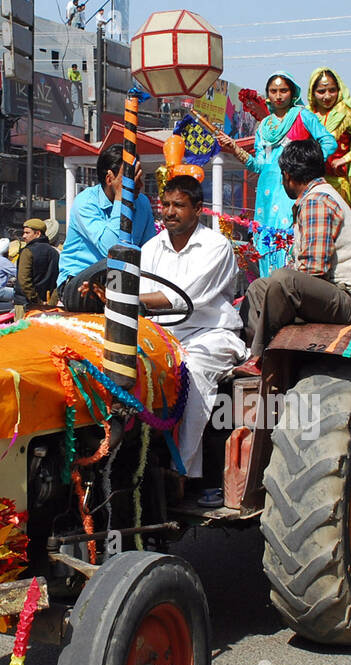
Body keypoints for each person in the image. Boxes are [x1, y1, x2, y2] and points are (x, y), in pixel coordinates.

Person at [139, 175, 245, 497]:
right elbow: (142, 295)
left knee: (190, 369)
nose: (170, 212)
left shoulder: (216, 247)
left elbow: (187, 296)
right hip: (160, 335)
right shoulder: (150, 248)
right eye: (166, 205)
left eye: (179, 205)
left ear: (198, 209)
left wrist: (126, 297)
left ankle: (180, 471)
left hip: (209, 334)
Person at [242, 139, 351, 372]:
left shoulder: (317, 200)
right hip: (338, 293)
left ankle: (263, 358)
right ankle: (257, 353)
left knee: (283, 280)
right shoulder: (316, 196)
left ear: (287, 176)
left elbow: (314, 268)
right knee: (258, 288)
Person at [224, 72, 337, 277]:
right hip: (267, 194)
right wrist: (235, 149)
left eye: (283, 90)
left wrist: (306, 164)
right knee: (267, 245)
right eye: (273, 91)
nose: (278, 95)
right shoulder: (264, 126)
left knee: (291, 239)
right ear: (267, 95)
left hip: (293, 188)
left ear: (292, 92)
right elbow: (259, 165)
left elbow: (329, 142)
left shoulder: (303, 116)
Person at [57, 144, 155, 311]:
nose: (139, 183)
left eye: (140, 175)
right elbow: (111, 248)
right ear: (110, 179)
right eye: (131, 177)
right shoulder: (85, 202)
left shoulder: (143, 203)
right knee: (113, 263)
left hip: (120, 282)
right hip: (79, 284)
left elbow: (150, 251)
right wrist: (121, 199)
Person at [307, 68, 351, 203]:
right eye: (321, 91)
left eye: (332, 90)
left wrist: (348, 158)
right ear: (312, 92)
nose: (327, 96)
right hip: (308, 184)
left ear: (339, 90)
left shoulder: (346, 115)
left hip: (338, 186)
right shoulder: (306, 115)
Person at [17, 218, 60, 306]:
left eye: (27, 233)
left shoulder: (27, 252)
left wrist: (36, 300)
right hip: (48, 303)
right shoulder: (54, 252)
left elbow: (24, 280)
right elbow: (58, 280)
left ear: (38, 234)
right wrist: (51, 302)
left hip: (26, 303)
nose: (24, 236)